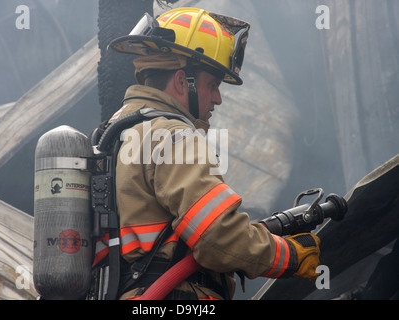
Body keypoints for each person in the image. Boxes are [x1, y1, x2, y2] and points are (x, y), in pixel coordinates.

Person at [95, 7, 321, 300]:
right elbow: (217, 235)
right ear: (181, 81)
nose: (218, 98)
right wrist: (291, 255)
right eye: (212, 85)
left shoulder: (109, 135)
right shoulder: (171, 135)